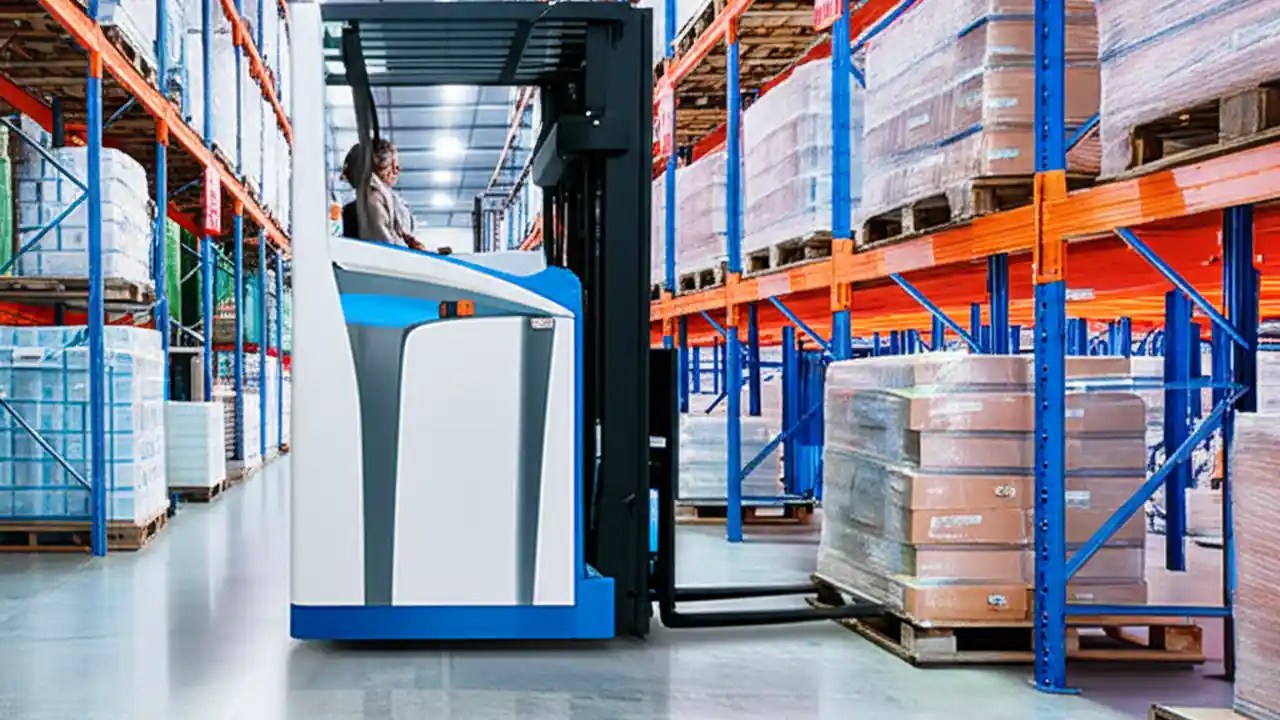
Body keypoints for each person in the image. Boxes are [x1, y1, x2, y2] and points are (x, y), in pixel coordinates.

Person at [340, 140, 426, 251]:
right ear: (380, 166)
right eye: (394, 164)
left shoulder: (378, 199)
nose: (397, 169)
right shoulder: (374, 200)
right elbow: (386, 250)